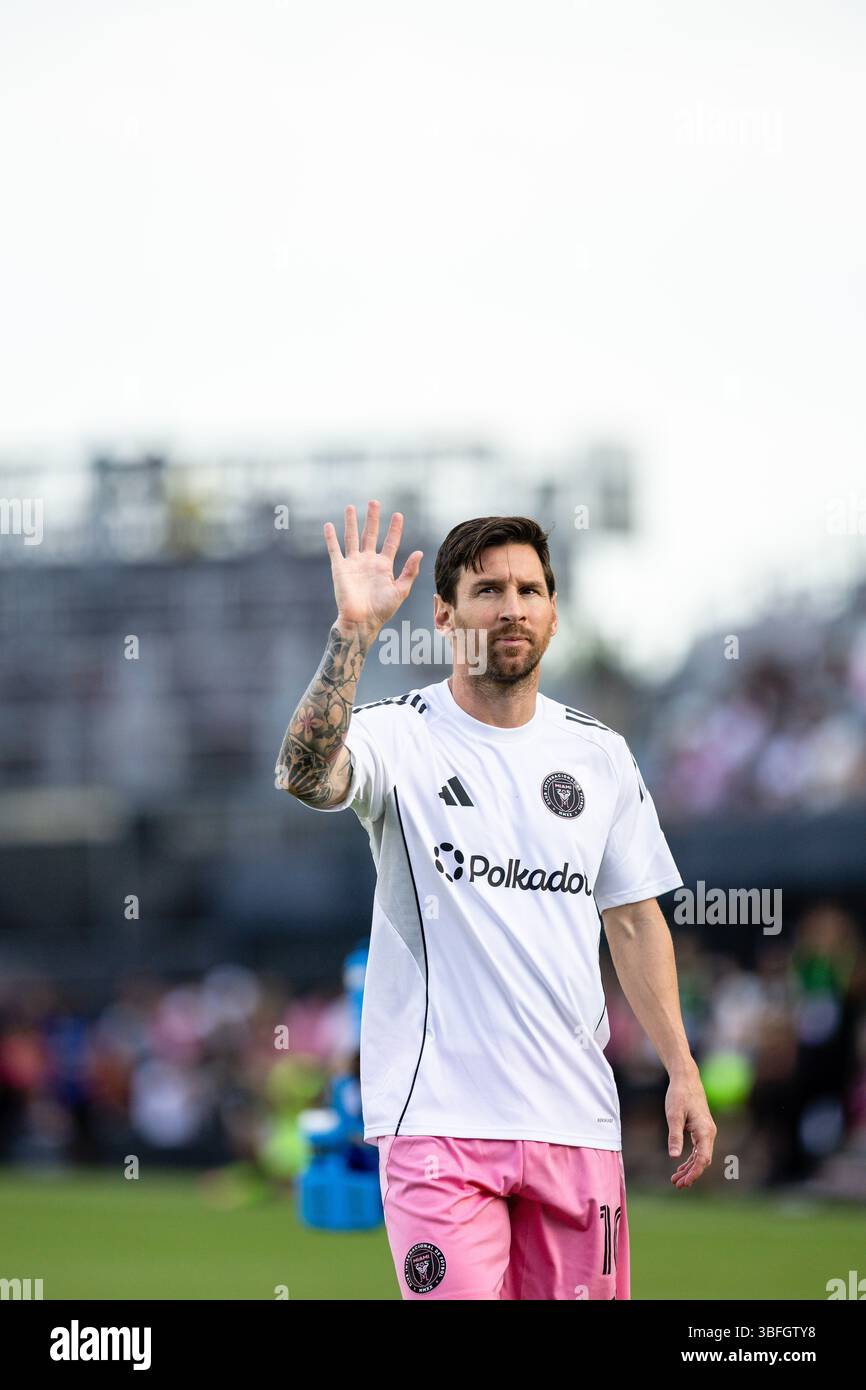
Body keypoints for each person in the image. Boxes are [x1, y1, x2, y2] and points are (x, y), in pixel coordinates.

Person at [275, 500, 716, 1300]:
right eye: (487, 590)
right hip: (438, 1123)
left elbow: (632, 917)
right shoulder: (398, 735)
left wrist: (682, 1068)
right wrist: (353, 634)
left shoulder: (601, 756)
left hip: (575, 1122)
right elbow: (305, 774)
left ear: (552, 612)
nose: (511, 606)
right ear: (444, 614)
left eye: (529, 589)